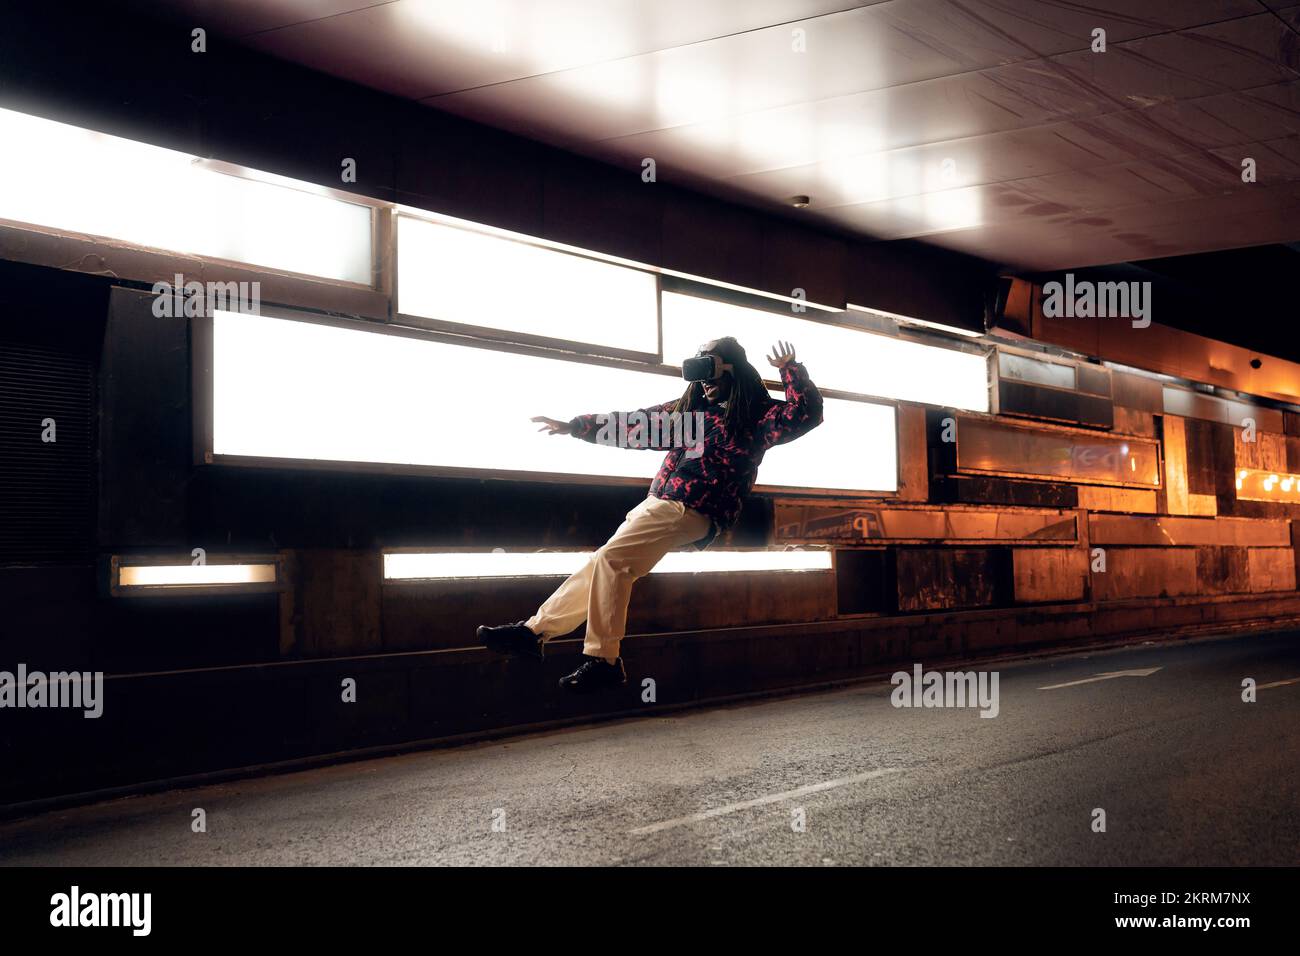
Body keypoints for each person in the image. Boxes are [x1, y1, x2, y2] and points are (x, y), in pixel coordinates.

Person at [477, 337, 823, 692]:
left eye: (711, 368)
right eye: (698, 369)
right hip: (660, 504)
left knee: (612, 563)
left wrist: (789, 370)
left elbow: (805, 414)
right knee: (603, 565)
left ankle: (602, 660)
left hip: (690, 508)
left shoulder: (753, 417)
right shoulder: (690, 414)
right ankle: (534, 633)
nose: (703, 379)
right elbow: (635, 425)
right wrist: (575, 426)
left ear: (732, 368)